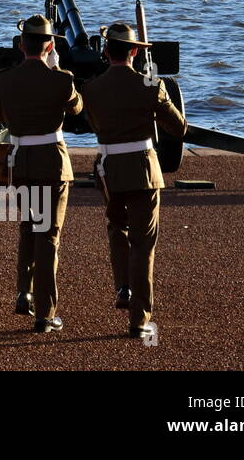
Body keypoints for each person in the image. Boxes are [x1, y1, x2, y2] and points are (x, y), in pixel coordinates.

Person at [80, 22, 187, 340]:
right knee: (143, 245)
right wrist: (157, 91)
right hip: (142, 168)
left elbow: (95, 122)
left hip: (109, 167)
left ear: (105, 51)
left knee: (117, 229)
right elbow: (178, 129)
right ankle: (139, 318)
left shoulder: (92, 88)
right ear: (136, 51)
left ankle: (123, 286)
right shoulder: (150, 86)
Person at [0, 15, 83, 333]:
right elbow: (76, 108)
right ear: (50, 45)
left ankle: (24, 291)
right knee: (48, 237)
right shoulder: (62, 79)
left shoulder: (3, 80)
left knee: (29, 227)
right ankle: (45, 312)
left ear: (20, 45)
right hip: (52, 164)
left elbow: (0, 115)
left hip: (21, 163)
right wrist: (55, 70)